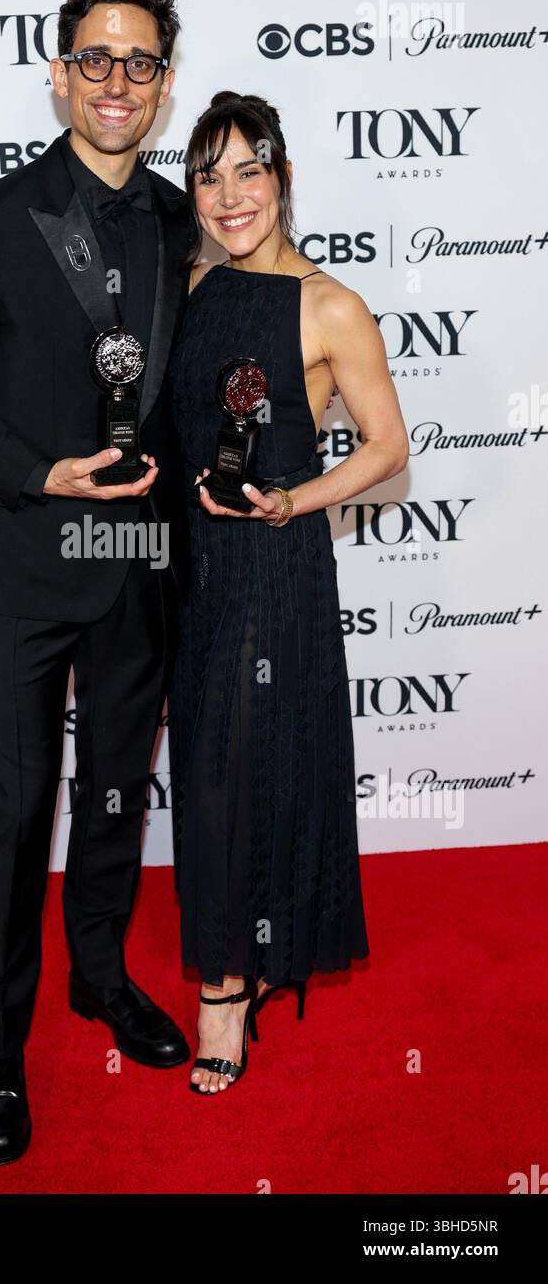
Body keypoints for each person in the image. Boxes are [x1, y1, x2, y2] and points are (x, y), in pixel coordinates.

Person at [0, 0, 195, 1164]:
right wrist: (35, 470)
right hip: (24, 560)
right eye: (94, 57)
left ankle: (101, 975)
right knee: (15, 816)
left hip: (138, 563)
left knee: (116, 794)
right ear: (59, 71)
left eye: (139, 61)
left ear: (162, 84)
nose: (115, 81)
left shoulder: (187, 222)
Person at [167, 92, 409, 1095]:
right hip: (187, 562)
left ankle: (225, 987)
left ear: (283, 178)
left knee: (240, 763)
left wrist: (291, 502)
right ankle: (247, 942)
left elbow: (389, 449)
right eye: (207, 175)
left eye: (246, 172)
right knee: (208, 760)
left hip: (272, 564)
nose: (227, 197)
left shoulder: (328, 305)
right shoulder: (187, 284)